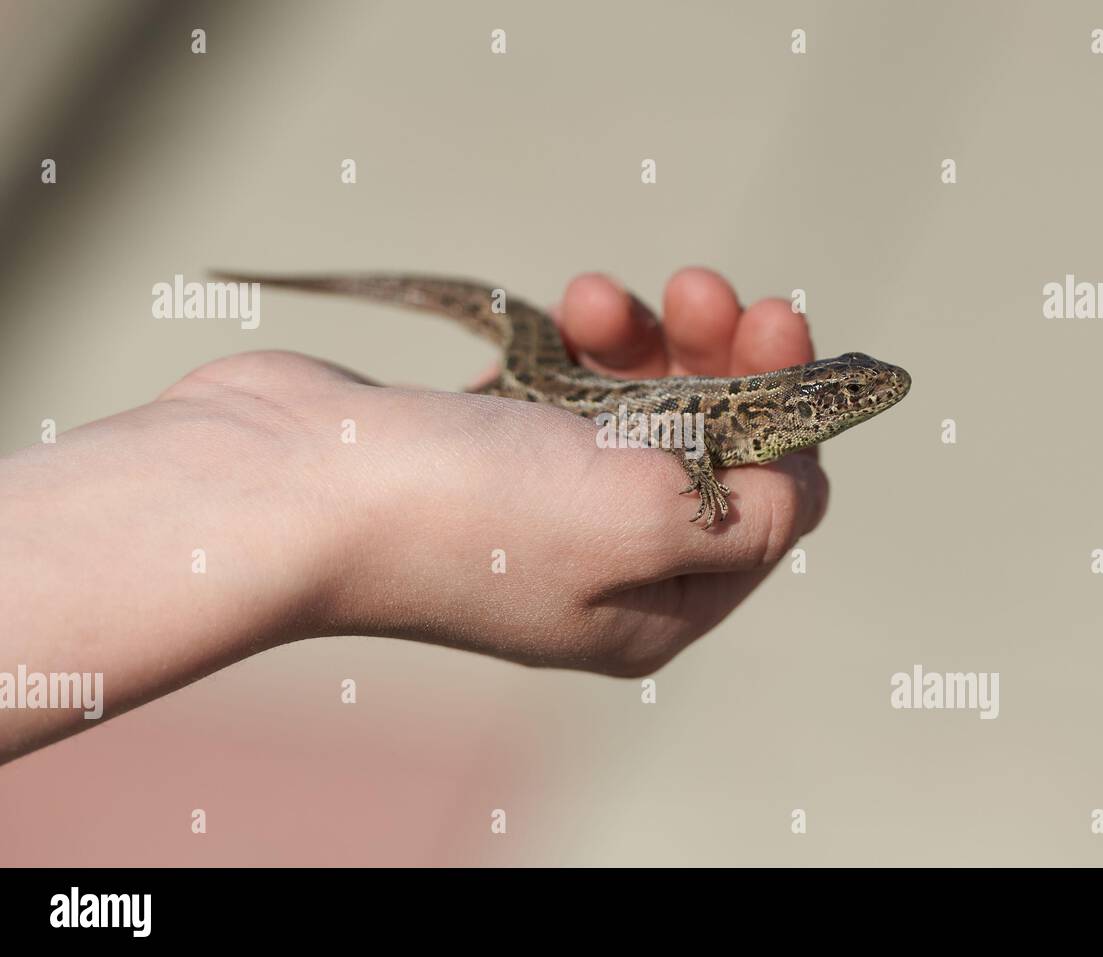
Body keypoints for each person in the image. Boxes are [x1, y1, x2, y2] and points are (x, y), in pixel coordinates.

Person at [0, 268, 828, 763]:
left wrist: (296, 457)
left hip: (590, 393)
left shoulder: (744, 415)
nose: (869, 399)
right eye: (847, 393)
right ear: (808, 408)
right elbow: (690, 437)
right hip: (562, 390)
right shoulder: (733, 422)